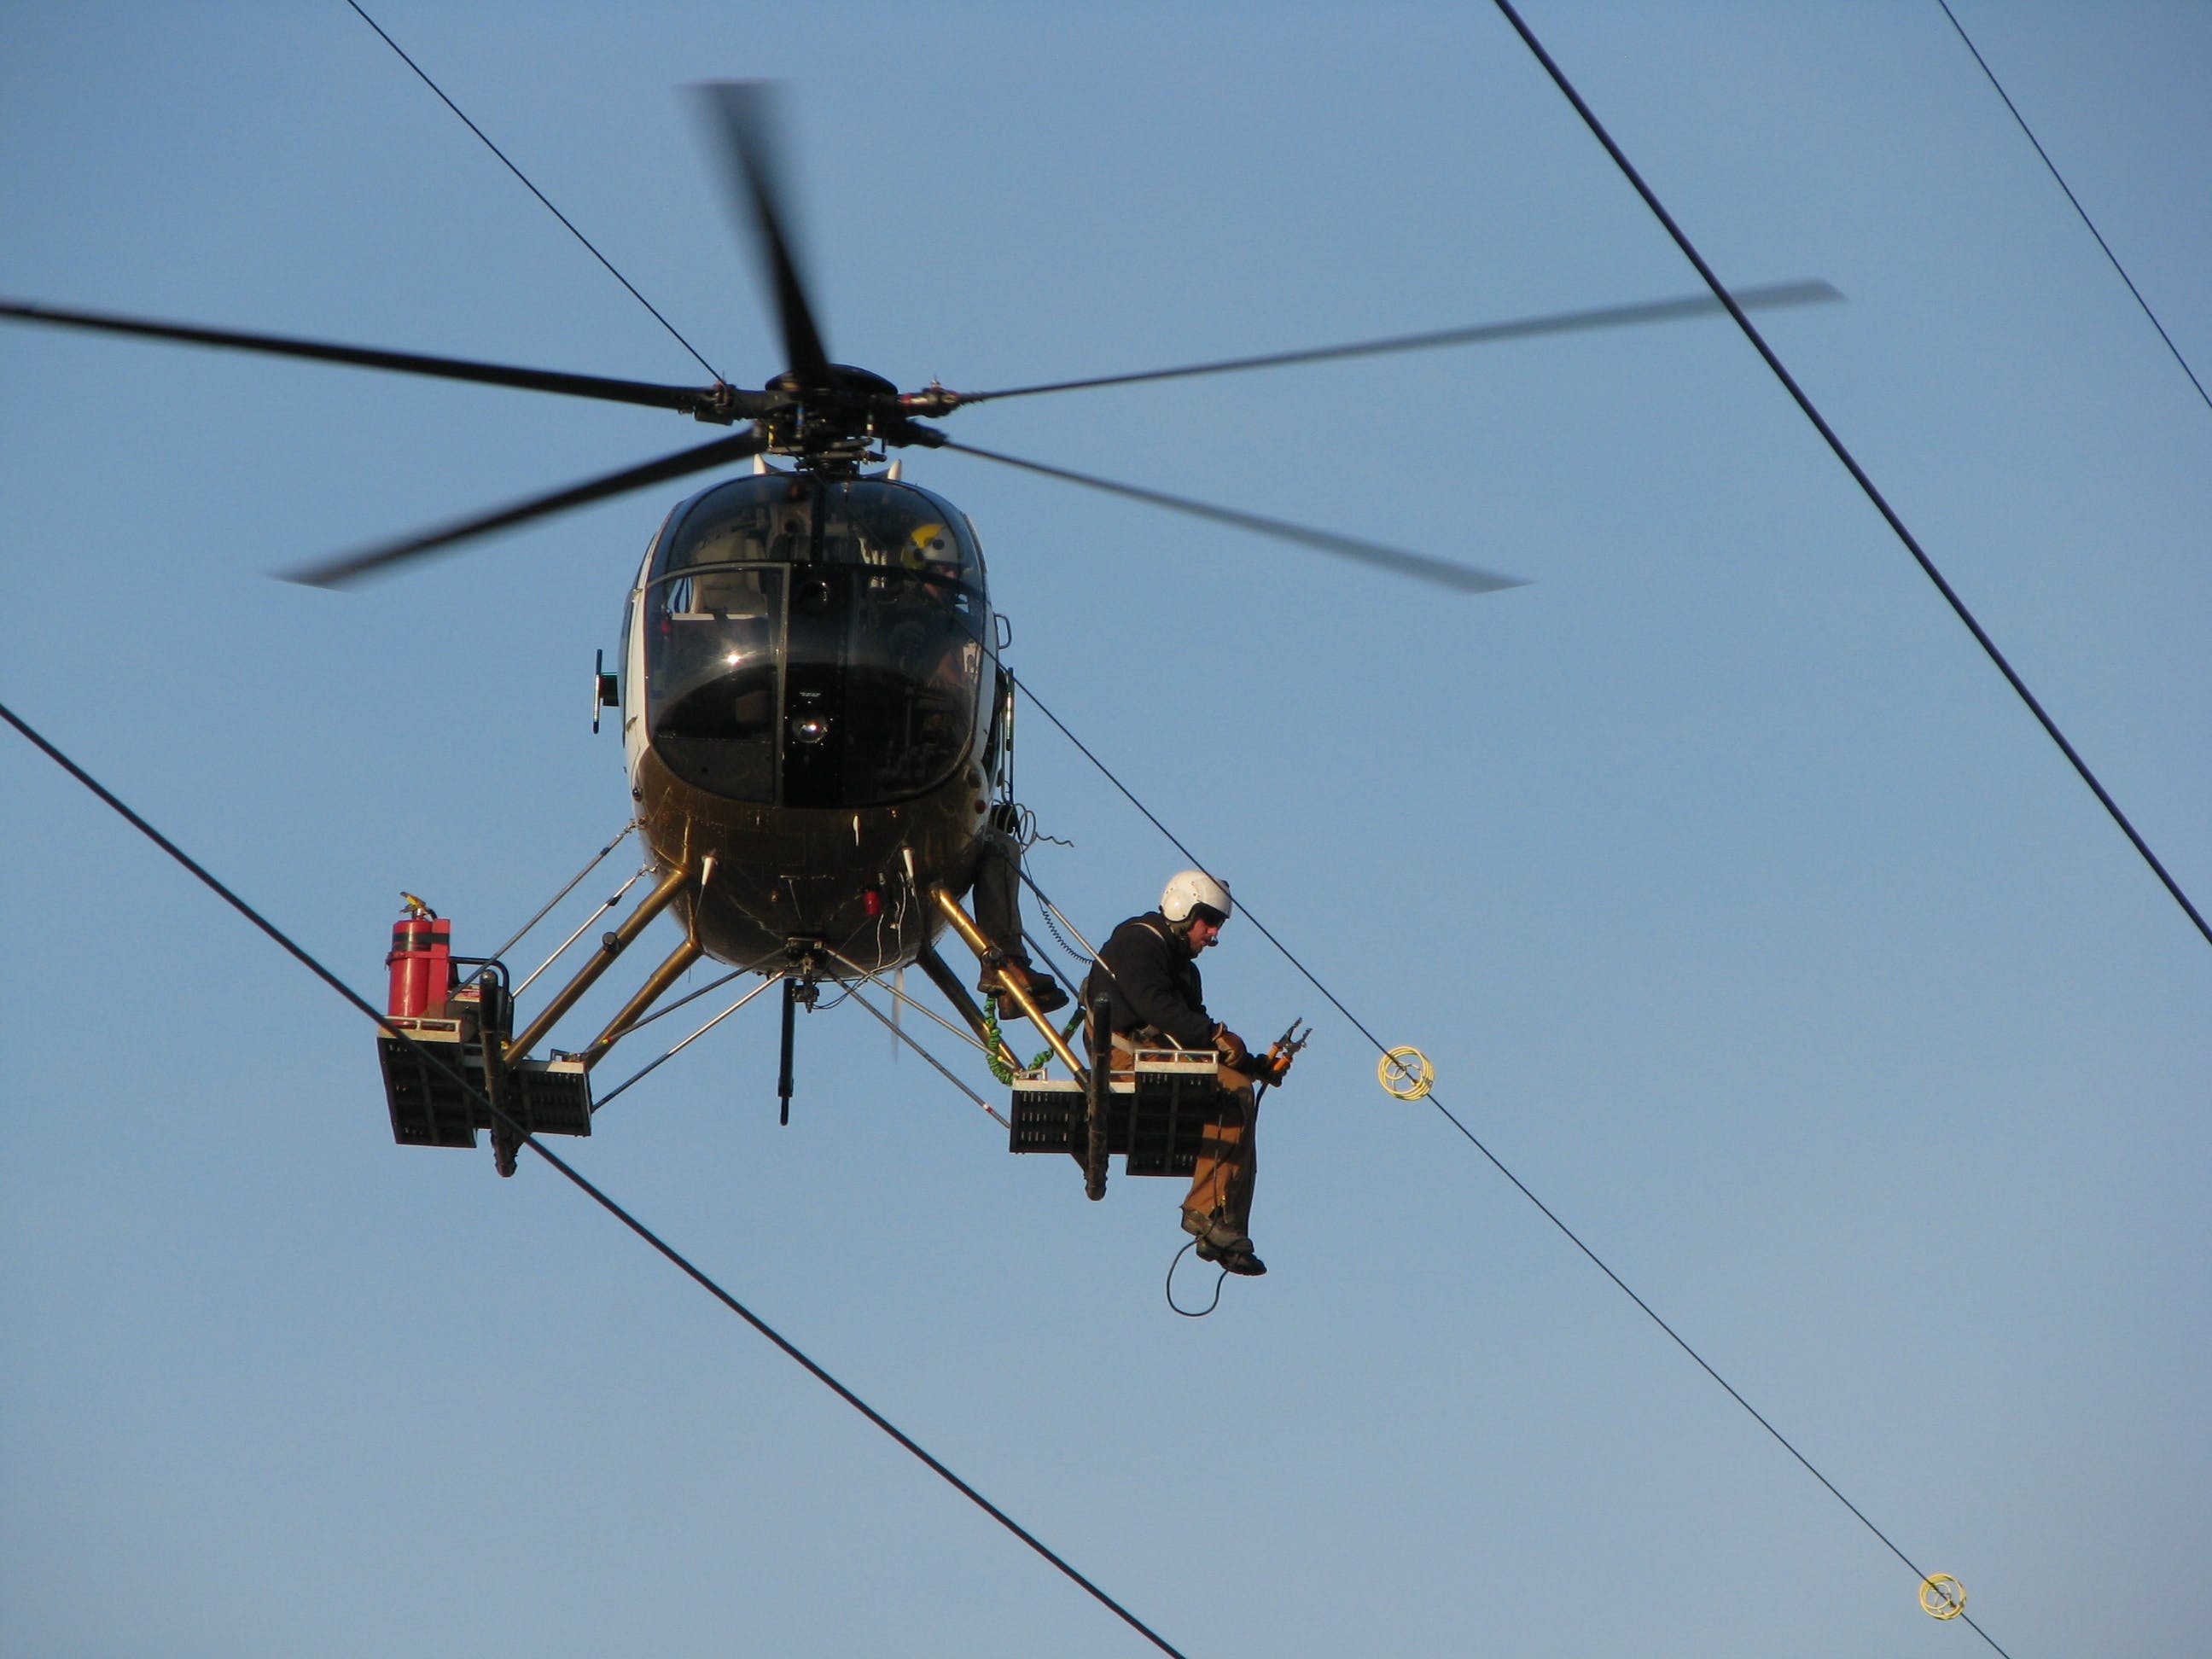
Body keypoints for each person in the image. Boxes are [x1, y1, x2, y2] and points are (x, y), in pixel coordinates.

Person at [1082, 869, 1290, 1276]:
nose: (1213, 935)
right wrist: (1216, 1036)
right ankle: (1207, 1213)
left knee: (1240, 1092)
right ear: (1182, 908)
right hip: (1126, 1055)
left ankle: (1227, 1225)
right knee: (1234, 1093)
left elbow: (1194, 1032)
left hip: (1158, 1056)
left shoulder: (1184, 969)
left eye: (1218, 925)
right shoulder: (1138, 941)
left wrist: (1255, 1065)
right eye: (1208, 921)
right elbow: (1155, 1004)